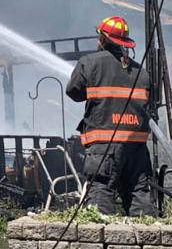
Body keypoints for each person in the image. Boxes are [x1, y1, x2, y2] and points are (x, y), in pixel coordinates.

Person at [65, 16, 155, 216]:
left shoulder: (89, 62)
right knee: (139, 194)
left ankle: (98, 243)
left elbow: (73, 91)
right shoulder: (141, 71)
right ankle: (146, 239)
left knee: (100, 192)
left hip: (104, 146)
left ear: (103, 39)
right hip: (136, 147)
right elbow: (152, 102)